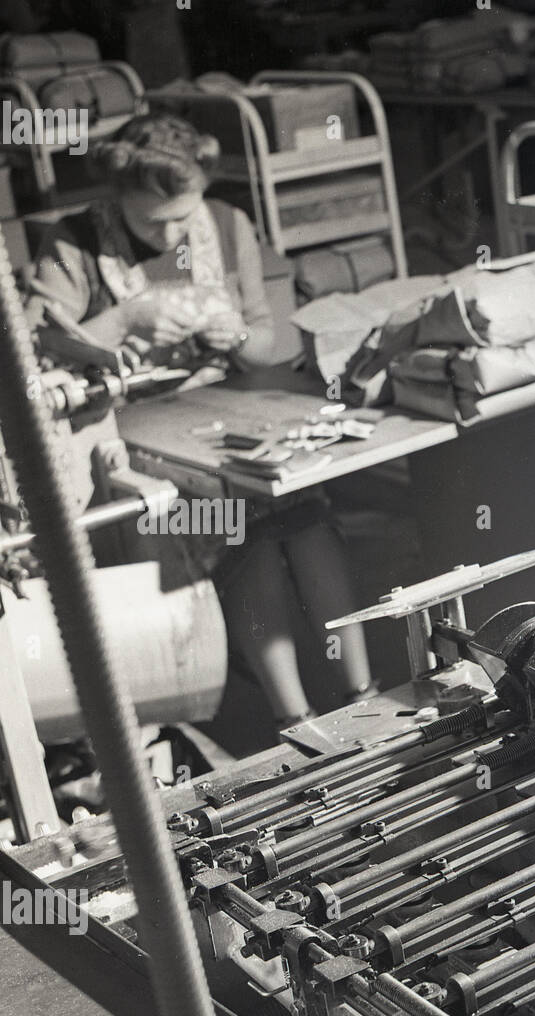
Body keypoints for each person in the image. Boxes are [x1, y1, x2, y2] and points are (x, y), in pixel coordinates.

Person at [25, 112, 375, 730]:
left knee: (307, 515)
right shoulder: (73, 243)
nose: (170, 236)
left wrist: (237, 333)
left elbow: (272, 341)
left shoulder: (226, 223)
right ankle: (296, 720)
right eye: (152, 222)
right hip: (129, 428)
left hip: (222, 409)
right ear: (117, 199)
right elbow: (35, 353)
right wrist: (129, 317)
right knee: (245, 537)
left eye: (183, 217)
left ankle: (361, 697)